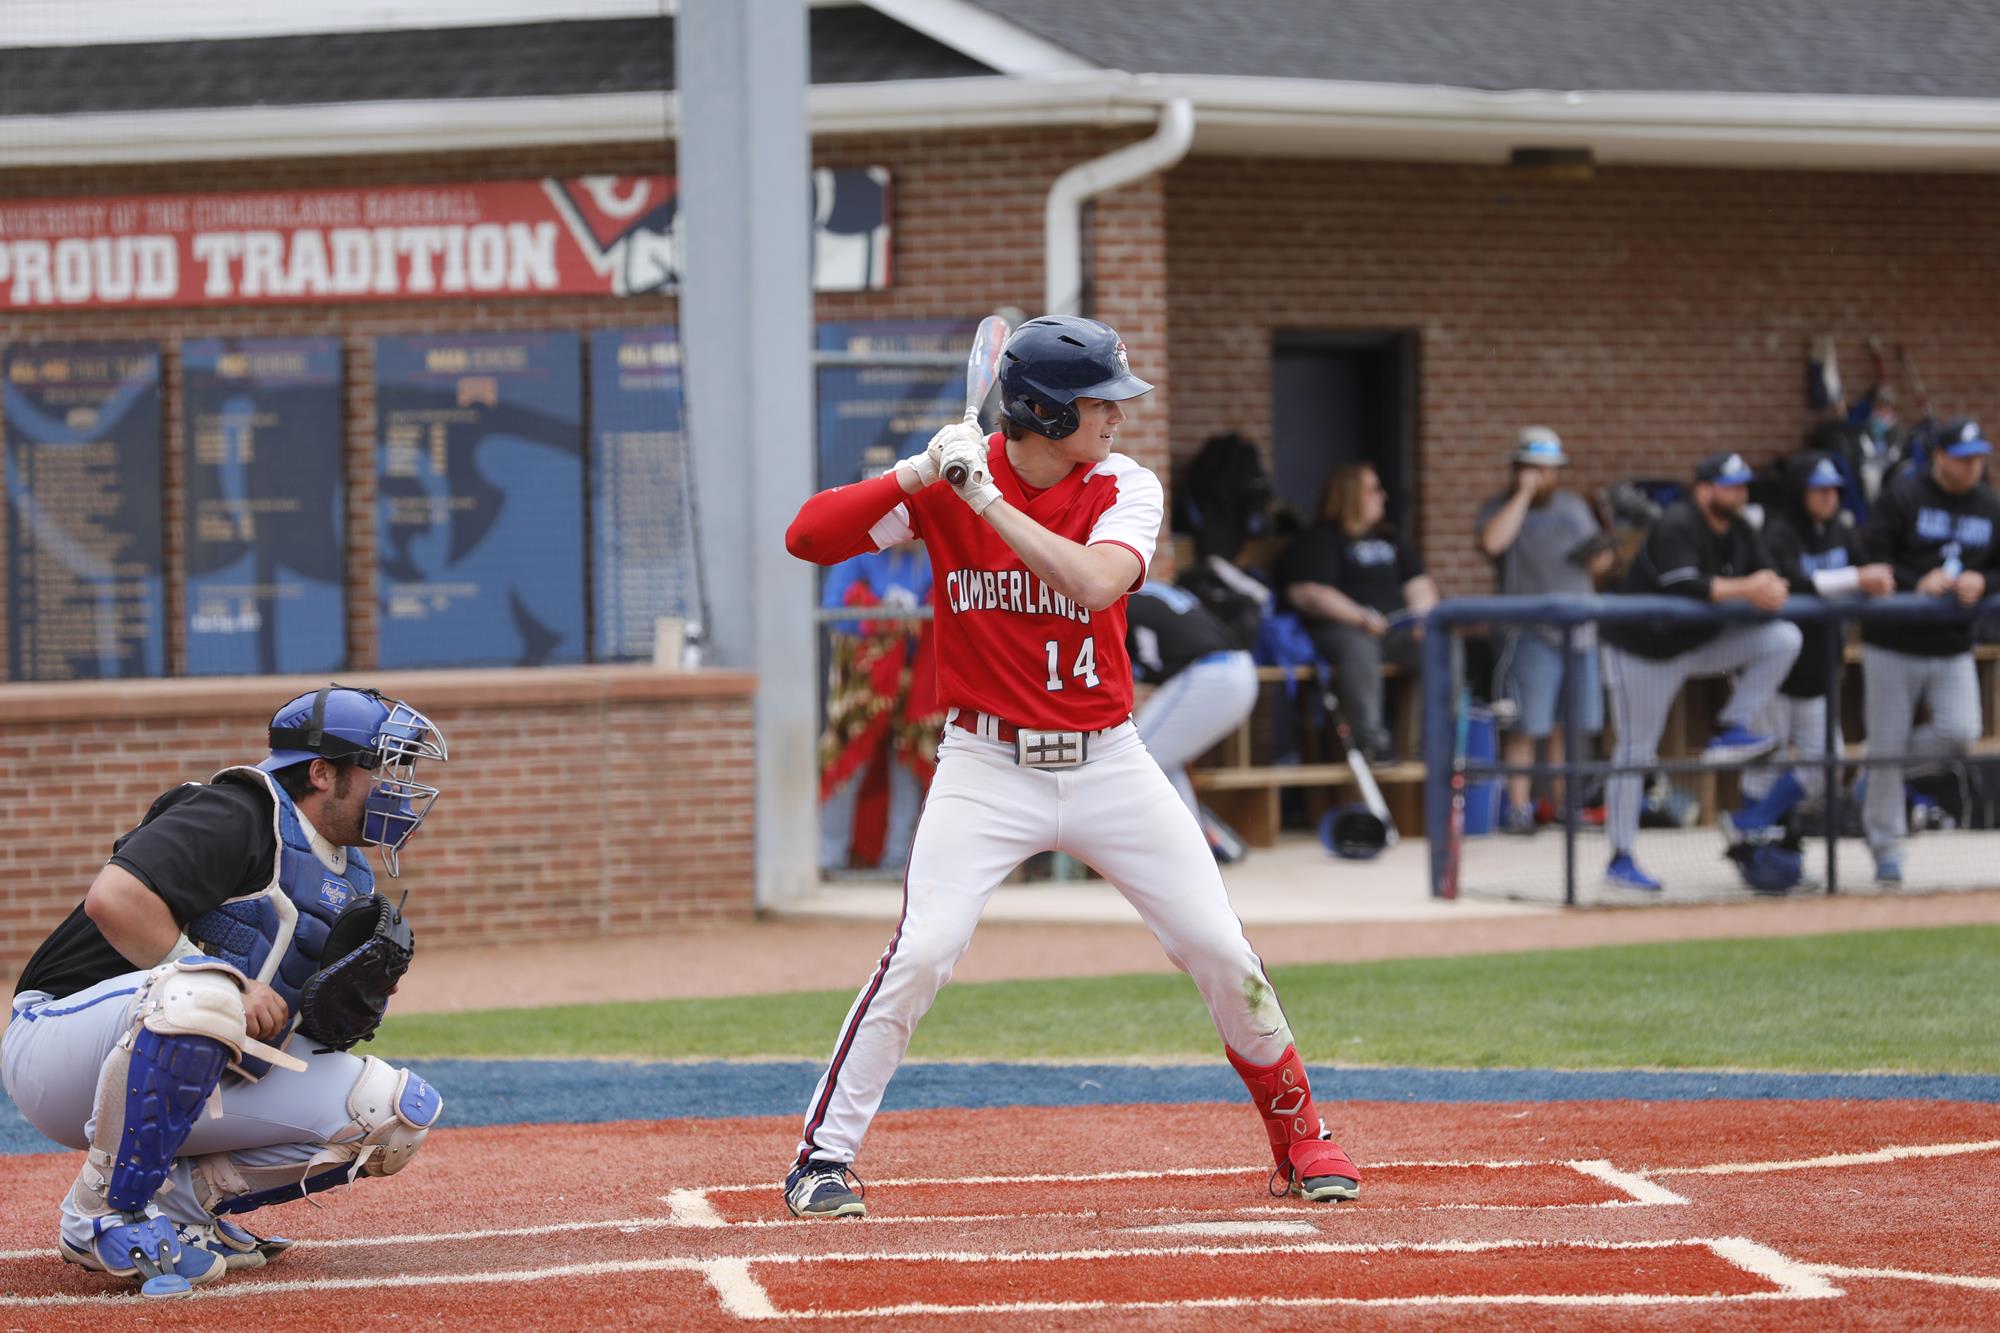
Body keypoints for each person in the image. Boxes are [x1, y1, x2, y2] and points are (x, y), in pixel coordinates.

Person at [780, 315, 1359, 1219]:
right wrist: (916, 473)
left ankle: (1301, 1137)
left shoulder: (1123, 485)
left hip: (1111, 762)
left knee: (1215, 943)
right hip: (985, 763)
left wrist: (984, 502)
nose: (1118, 418)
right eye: (1100, 404)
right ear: (1044, 412)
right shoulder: (951, 483)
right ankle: (822, 1157)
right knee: (923, 949)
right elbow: (808, 538)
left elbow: (1092, 582)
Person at [2, 686, 448, 1295]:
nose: (397, 787)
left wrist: (337, 1013)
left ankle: (181, 1210)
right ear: (322, 772)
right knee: (205, 995)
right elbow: (115, 901)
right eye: (381, 767)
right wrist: (230, 986)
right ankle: (101, 1213)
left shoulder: (352, 875)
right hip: (59, 1042)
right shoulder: (236, 811)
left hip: (174, 1054)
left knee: (392, 1114)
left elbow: (283, 1023)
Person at [1598, 453, 1803, 891]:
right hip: (1641, 649)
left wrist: (1773, 584)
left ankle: (1732, 723)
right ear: (1704, 489)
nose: (1739, 493)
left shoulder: (1741, 528)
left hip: (1695, 644)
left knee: (1783, 638)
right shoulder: (1678, 522)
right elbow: (1684, 585)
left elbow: (1770, 570)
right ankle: (1620, 857)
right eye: (1729, 485)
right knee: (1635, 752)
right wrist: (1751, 588)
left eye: (1742, 485)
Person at [1857, 419, 2000, 885]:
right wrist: (1914, 580)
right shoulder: (1903, 494)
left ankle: (1880, 765)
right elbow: (1869, 556)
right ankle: (1887, 852)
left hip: (1952, 643)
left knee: (1960, 733)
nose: (1973, 465)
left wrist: (1986, 581)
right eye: (1963, 457)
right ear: (1938, 456)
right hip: (1892, 643)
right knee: (1887, 744)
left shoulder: (1989, 505)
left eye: (1978, 456)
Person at [1733, 452, 1895, 837]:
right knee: (1762, 767)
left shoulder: (1838, 529)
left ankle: (1754, 825)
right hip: (1774, 676)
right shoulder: (1777, 531)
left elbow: (1865, 567)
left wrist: (1874, 577)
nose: (1829, 498)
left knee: (1829, 763)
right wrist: (1856, 577)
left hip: (1818, 673)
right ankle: (1754, 848)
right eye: (1819, 491)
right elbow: (1790, 582)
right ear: (1799, 492)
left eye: (1833, 491)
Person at [1474, 427, 1615, 834]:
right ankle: (1518, 809)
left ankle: (1564, 807)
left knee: (1569, 727)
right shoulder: (1499, 507)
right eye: (1536, 469)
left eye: (1551, 470)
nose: (1545, 478)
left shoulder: (1572, 506)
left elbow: (1598, 567)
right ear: (1518, 468)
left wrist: (1605, 553)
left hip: (1580, 631)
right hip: (1529, 632)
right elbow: (1493, 544)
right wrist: (1522, 495)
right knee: (1525, 726)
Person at [1279, 463, 1440, 767]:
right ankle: (1371, 742)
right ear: (1351, 496)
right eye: (1374, 490)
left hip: (1394, 631)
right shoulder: (1320, 539)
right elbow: (1307, 593)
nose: (1383, 496)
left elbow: (1420, 584)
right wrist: (1360, 617)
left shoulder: (1391, 538)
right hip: (1345, 630)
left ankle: (1435, 740)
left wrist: (1422, 619)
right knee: (1358, 646)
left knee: (1439, 644)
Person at [1125, 551, 1260, 826]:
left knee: (1138, 760)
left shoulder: (1127, 601)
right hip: (1233, 670)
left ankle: (1182, 852)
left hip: (1211, 675)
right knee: (1160, 761)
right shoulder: (1153, 591)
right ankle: (1193, 845)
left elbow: (1146, 665)